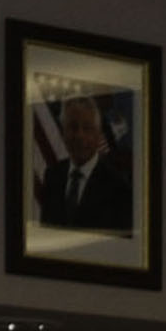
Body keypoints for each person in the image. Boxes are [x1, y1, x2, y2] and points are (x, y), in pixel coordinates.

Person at [35, 93, 131, 235]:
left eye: (87, 128)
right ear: (64, 133)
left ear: (98, 135)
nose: (79, 136)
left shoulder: (118, 187)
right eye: (73, 127)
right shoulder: (53, 175)